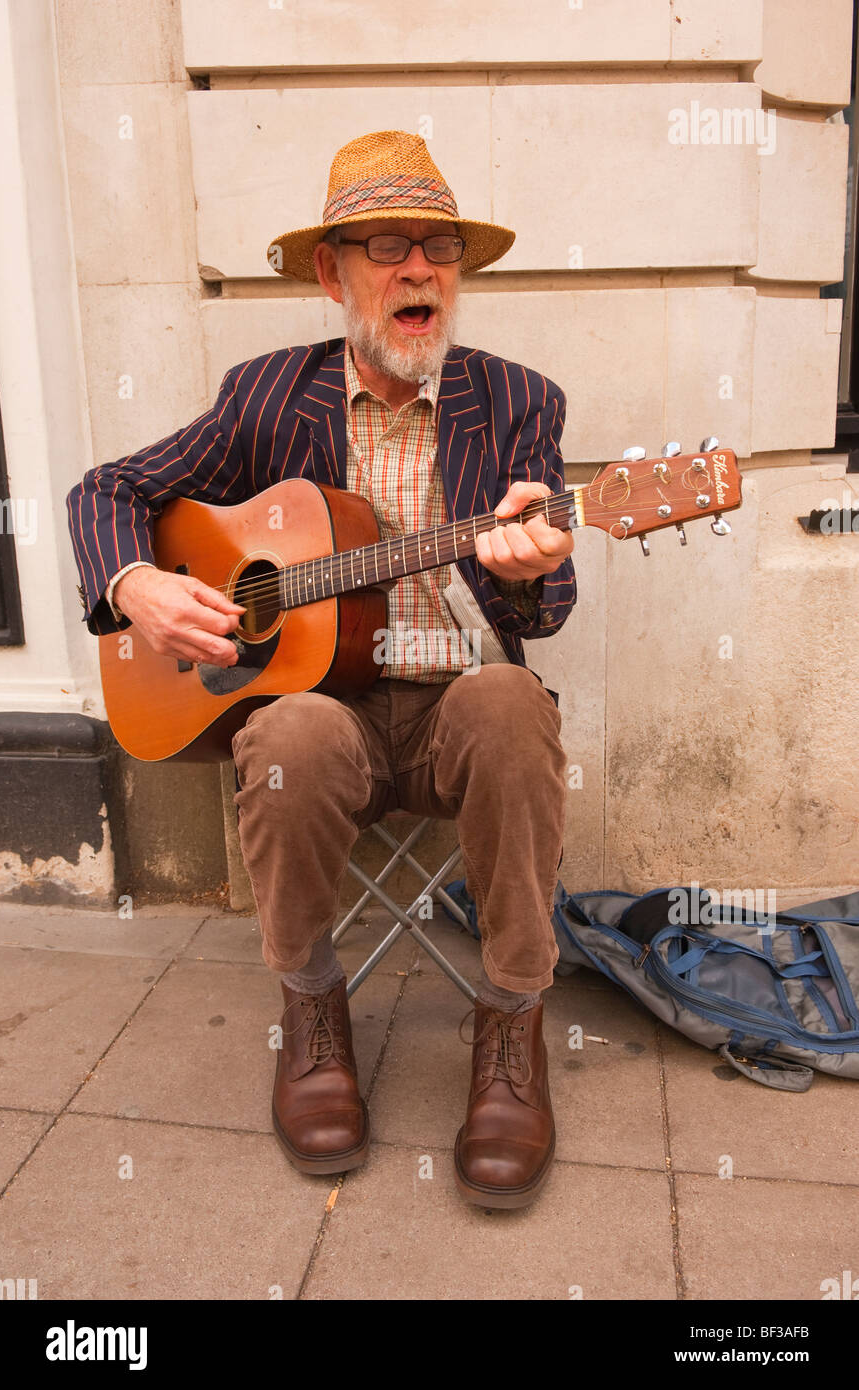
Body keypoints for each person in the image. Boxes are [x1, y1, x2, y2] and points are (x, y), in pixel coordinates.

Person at [66, 130, 577, 1209]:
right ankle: (310, 1015)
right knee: (290, 730)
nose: (416, 267)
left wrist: (534, 568)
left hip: (454, 715)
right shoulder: (264, 397)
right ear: (330, 272)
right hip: (322, 720)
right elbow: (104, 490)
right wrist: (138, 588)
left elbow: (547, 606)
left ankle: (512, 1027)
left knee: (512, 703)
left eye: (436, 244)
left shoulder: (521, 402)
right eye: (383, 245)